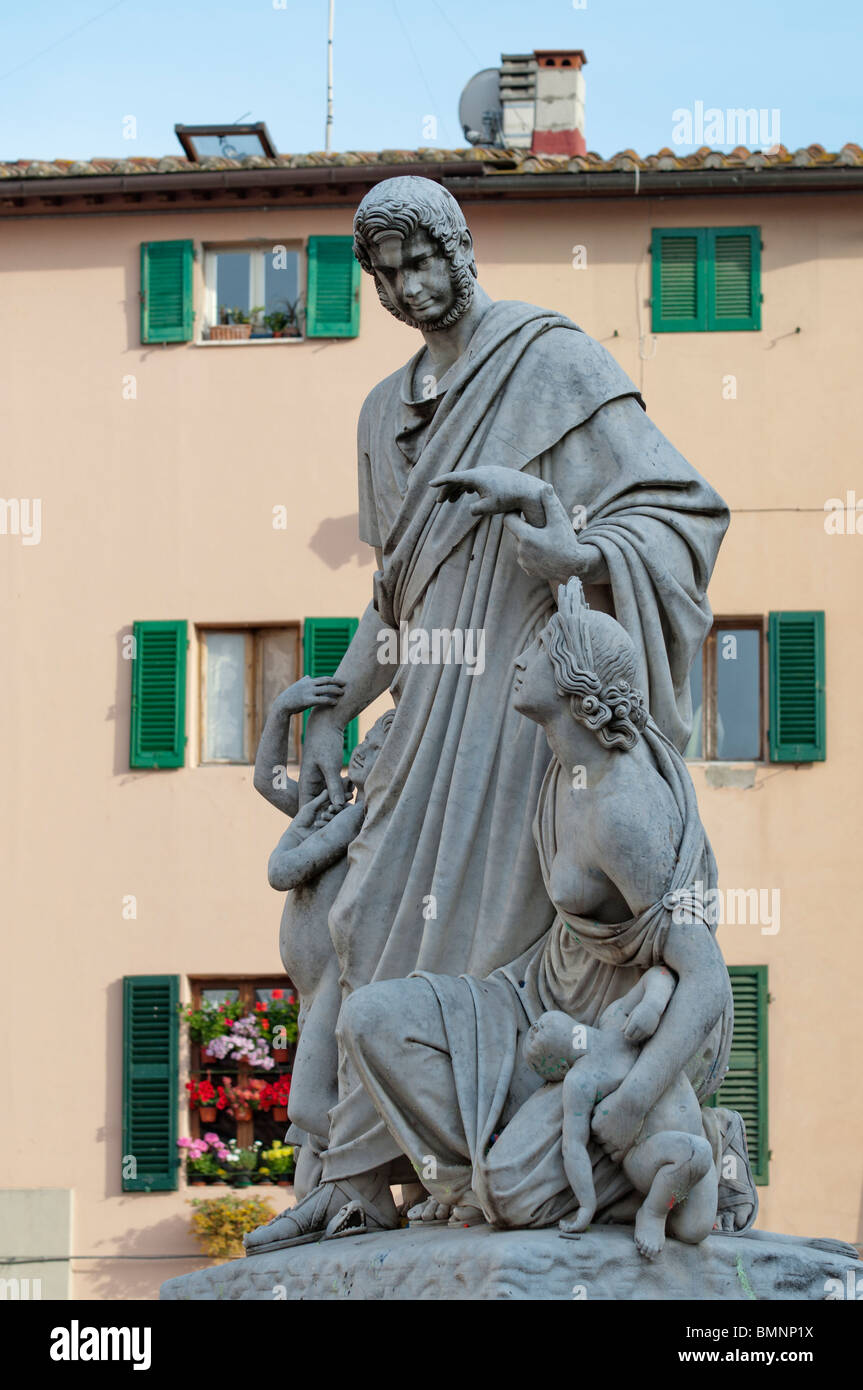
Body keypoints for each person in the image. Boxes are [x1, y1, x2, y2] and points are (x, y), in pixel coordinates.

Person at [246, 174, 730, 1252]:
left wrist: (584, 553)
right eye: (387, 272)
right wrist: (334, 707)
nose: (411, 285)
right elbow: (393, 597)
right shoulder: (381, 413)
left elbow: (681, 513)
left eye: (425, 258)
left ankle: (532, 1168)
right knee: (359, 921)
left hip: (524, 725)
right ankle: (359, 1181)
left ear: (465, 247)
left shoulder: (549, 360)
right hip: (423, 729)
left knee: (497, 946)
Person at [329, 580, 758, 1241]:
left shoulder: (620, 814)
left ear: (572, 684)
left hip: (622, 1035)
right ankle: (505, 1161)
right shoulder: (566, 761)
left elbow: (705, 978)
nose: (520, 659)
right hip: (536, 996)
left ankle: (696, 1144)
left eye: (538, 647)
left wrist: (636, 1095)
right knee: (370, 1020)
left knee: (513, 1196)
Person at [253, 679, 394, 1197]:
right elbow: (269, 783)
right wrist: (280, 712)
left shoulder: (360, 819)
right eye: (369, 737)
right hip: (312, 991)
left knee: (309, 1109)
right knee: (308, 1135)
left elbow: (282, 872)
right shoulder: (337, 806)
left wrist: (298, 829)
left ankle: (390, 1166)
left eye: (380, 744)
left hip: (335, 978)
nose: (364, 747)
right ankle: (326, 1207)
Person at [525, 967, 718, 1259]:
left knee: (696, 1228)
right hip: (649, 1156)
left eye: (537, 1025)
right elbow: (573, 1147)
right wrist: (586, 1206)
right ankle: (652, 1213)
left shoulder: (615, 1016)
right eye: (533, 1049)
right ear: (558, 1069)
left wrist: (653, 1004)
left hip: (692, 1139)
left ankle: (674, 1187)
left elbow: (659, 975)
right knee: (696, 1154)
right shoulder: (581, 1081)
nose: (534, 1031)